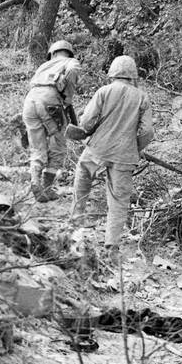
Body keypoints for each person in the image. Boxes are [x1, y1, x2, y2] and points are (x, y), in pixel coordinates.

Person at [68, 55, 153, 265]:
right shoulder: (142, 97)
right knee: (118, 201)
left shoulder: (104, 92)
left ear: (112, 73)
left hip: (96, 151)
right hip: (124, 156)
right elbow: (147, 132)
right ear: (133, 75)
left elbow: (87, 122)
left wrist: (85, 131)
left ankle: (73, 228)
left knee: (82, 180)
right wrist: (137, 148)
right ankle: (111, 248)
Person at [22, 39, 81, 203]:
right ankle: (47, 187)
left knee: (37, 147)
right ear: (68, 53)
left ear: (53, 53)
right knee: (58, 144)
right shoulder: (71, 62)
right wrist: (68, 98)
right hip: (51, 102)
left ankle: (35, 181)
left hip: (30, 100)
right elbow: (73, 71)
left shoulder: (43, 66)